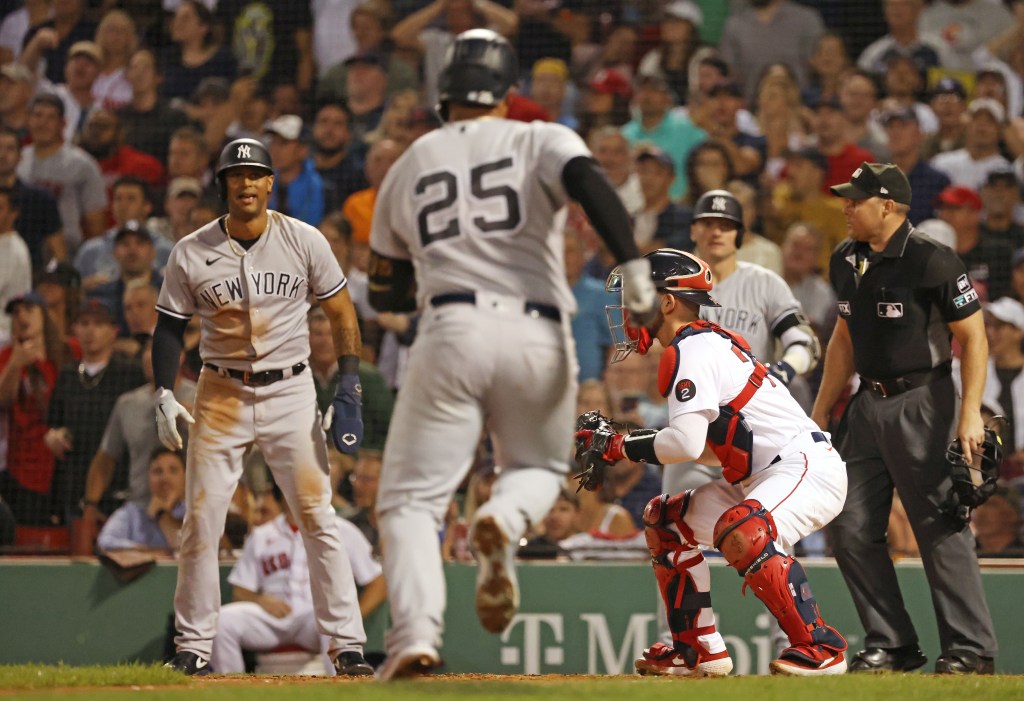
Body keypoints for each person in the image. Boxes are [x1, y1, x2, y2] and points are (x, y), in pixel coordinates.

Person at [366, 29, 658, 680]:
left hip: (450, 328)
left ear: (444, 93)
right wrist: (632, 267)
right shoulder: (538, 136)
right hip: (539, 331)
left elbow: (384, 282)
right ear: (506, 92)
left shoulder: (413, 158)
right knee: (539, 468)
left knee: (411, 499)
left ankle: (413, 637)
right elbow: (590, 182)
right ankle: (500, 516)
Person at [153, 137, 373, 677]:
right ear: (223, 184)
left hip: (290, 390)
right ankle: (195, 646)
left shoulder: (304, 239)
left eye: (255, 174)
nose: (246, 183)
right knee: (202, 520)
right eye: (236, 175)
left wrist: (348, 386)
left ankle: (346, 645)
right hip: (220, 390)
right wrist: (164, 390)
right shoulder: (192, 249)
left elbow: (342, 311)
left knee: (319, 516)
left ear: (271, 182)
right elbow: (168, 328)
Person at [577, 247, 849, 676]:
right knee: (666, 521)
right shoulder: (698, 343)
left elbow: (683, 446)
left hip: (806, 466)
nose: (628, 310)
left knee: (744, 529)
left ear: (666, 301)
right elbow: (703, 447)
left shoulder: (692, 349)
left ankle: (820, 647)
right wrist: (626, 442)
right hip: (763, 474)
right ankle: (696, 650)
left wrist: (619, 446)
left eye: (637, 298)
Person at [811, 162, 998, 674]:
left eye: (856, 199)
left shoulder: (931, 259)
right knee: (848, 525)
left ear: (888, 205)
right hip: (865, 406)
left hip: (924, 400)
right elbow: (844, 339)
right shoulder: (845, 258)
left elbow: (975, 338)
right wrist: (821, 409)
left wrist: (969, 415)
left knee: (941, 525)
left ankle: (971, 650)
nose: (846, 207)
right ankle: (892, 643)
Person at [212, 481, 386, 675]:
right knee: (222, 621)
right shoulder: (263, 535)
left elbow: (378, 582)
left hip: (315, 618)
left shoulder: (341, 530)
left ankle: (343, 685)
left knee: (335, 617)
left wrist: (352, 618)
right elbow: (240, 590)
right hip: (272, 619)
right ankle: (230, 686)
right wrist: (261, 600)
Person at [95, 447, 186, 554]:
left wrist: (161, 514)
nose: (165, 478)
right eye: (157, 471)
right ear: (148, 478)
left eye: (173, 470)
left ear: (186, 476)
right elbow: (104, 544)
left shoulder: (196, 512)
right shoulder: (131, 513)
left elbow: (190, 549)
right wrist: (155, 553)